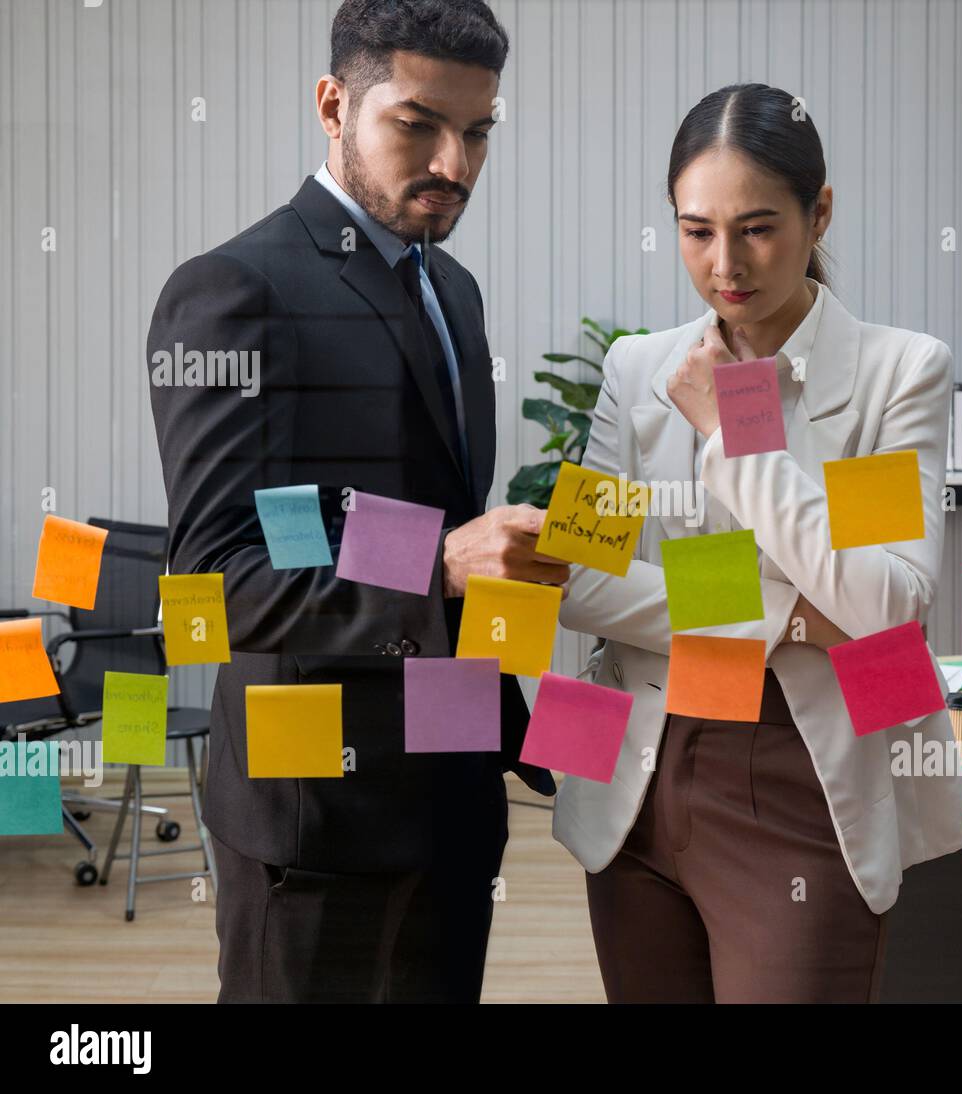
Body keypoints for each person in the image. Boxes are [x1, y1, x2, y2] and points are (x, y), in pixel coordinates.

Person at [147, 0, 566, 1003]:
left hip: (454, 794)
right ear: (334, 104)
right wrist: (441, 566)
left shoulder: (452, 289)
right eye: (417, 124)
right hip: (319, 818)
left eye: (476, 131)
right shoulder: (236, 290)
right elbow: (212, 579)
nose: (453, 163)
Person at [554, 83, 962, 1003]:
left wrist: (728, 436)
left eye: (757, 228)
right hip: (641, 775)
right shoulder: (637, 369)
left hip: (804, 780)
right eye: (696, 231)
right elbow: (580, 581)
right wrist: (787, 615)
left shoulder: (894, 375)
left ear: (819, 213)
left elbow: (887, 604)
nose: (724, 266)